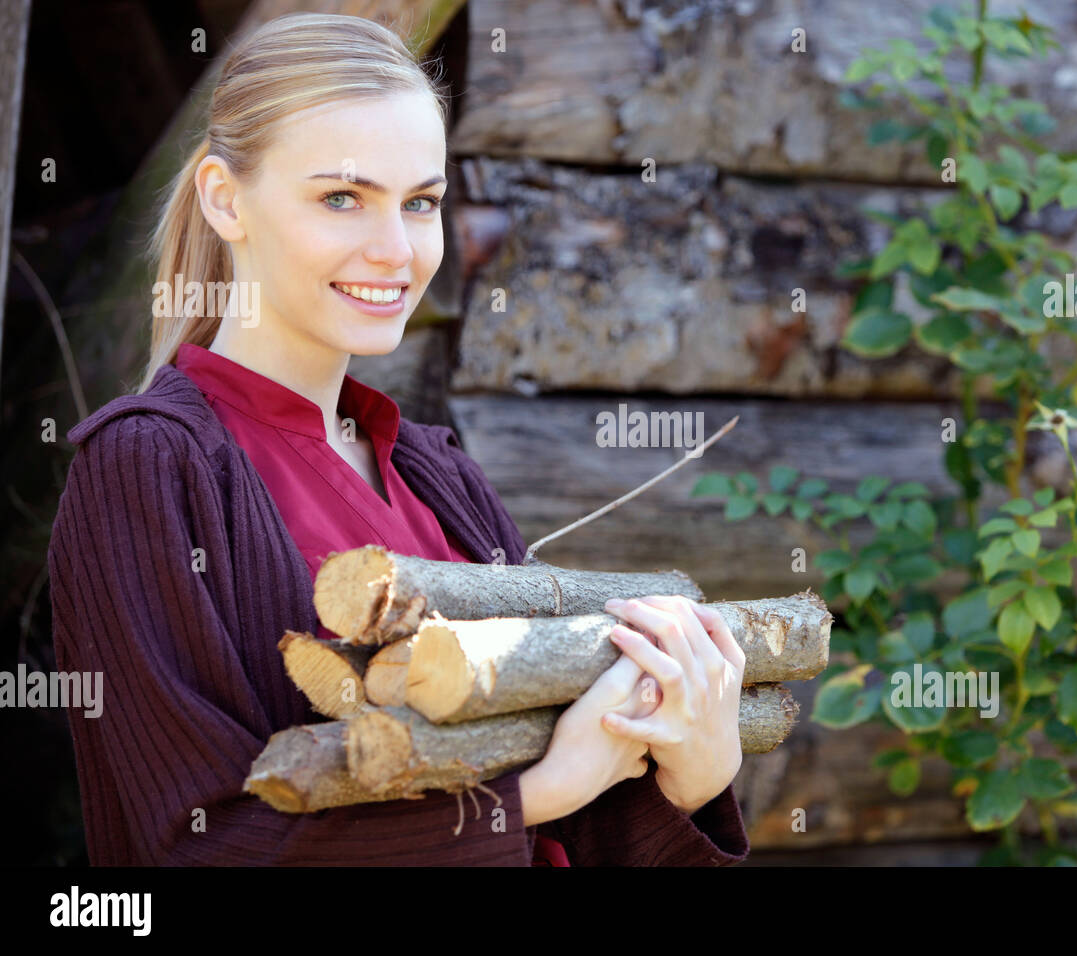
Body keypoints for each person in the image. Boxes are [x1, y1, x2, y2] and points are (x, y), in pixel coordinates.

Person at [47, 12, 750, 866]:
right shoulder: (150, 469)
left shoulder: (437, 473)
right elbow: (193, 841)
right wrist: (537, 796)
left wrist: (692, 779)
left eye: (420, 202)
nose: (395, 250)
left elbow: (569, 806)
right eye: (343, 197)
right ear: (225, 199)